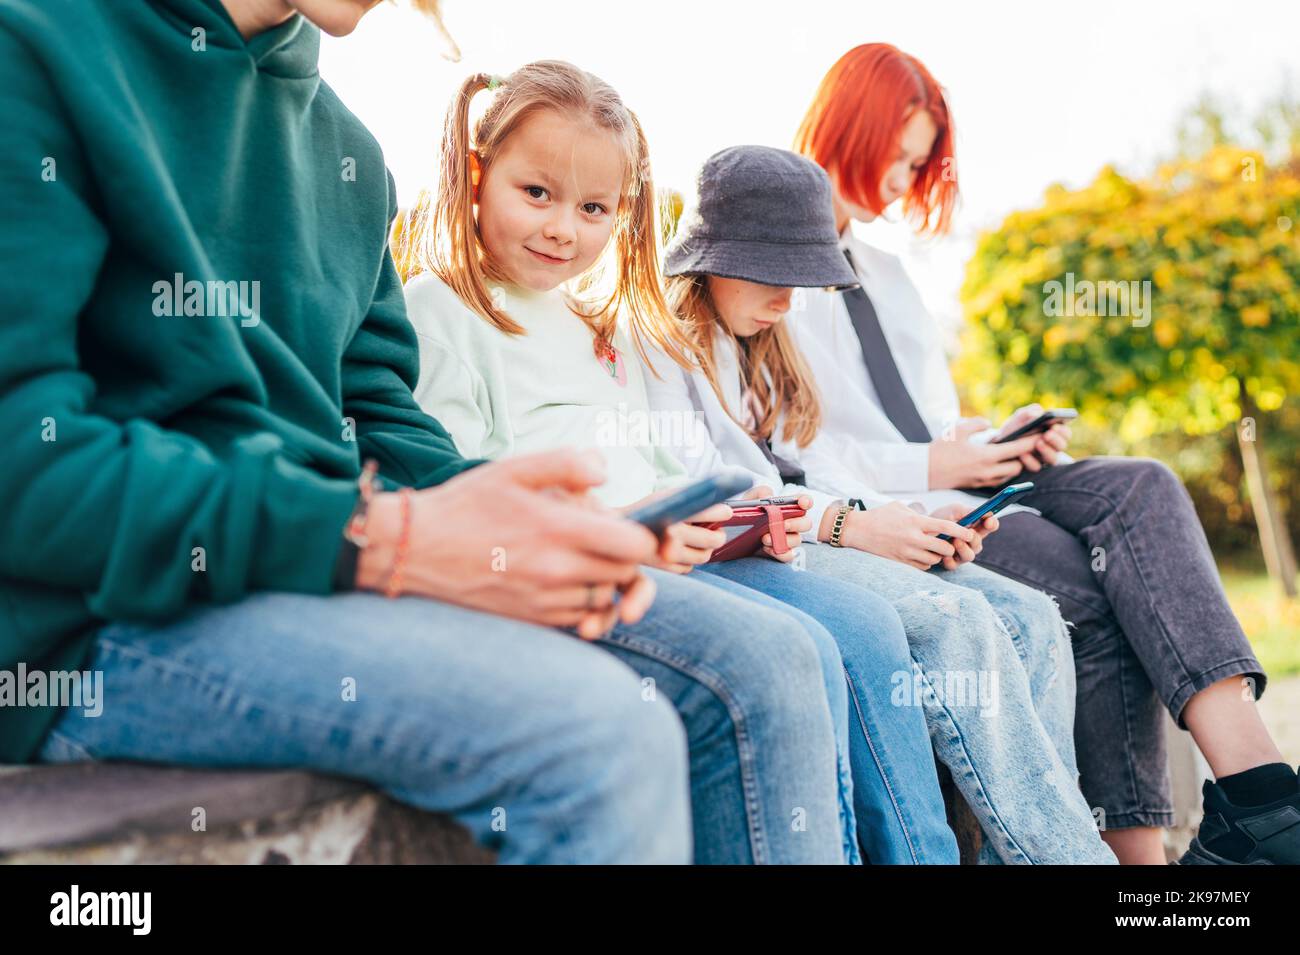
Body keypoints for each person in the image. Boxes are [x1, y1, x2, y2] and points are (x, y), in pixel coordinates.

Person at [0, 0, 849, 865]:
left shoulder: (350, 157)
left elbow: (379, 414)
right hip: (100, 618)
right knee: (595, 737)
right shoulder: (37, 47)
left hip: (318, 569)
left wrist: (508, 521)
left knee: (765, 657)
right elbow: (21, 463)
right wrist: (380, 536)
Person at [787, 41, 1300, 865]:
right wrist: (934, 467)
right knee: (1098, 592)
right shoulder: (769, 266)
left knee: (1143, 485)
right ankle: (1156, 862)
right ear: (848, 124)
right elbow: (790, 449)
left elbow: (926, 418)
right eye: (897, 155)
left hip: (954, 477)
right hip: (902, 507)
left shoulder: (887, 272)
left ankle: (1259, 787)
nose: (900, 181)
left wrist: (993, 436)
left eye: (915, 165)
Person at [646, 145, 1115, 864]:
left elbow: (822, 461)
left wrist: (915, 522)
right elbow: (720, 485)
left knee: (1035, 619)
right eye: (772, 272)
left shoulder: (766, 347)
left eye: (801, 277)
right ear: (710, 257)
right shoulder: (665, 349)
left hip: (830, 526)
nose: (787, 297)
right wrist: (855, 525)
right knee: (953, 620)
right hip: (771, 549)